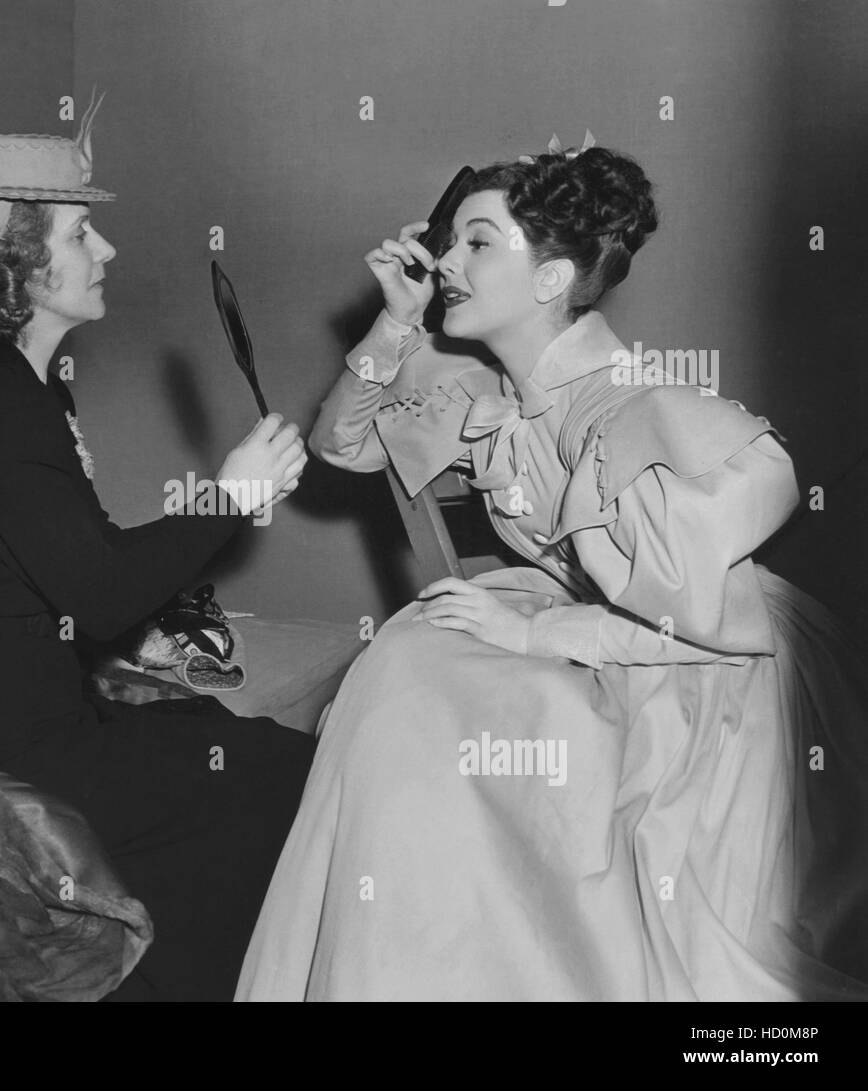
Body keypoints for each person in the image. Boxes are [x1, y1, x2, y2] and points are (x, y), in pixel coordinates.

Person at [237, 140, 868, 1000]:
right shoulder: (485, 387)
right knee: (405, 678)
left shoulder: (641, 407)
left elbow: (701, 619)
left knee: (443, 703)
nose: (445, 262)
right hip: (595, 623)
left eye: (477, 243)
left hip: (710, 669)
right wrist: (395, 320)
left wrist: (533, 630)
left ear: (549, 278)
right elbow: (338, 443)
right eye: (449, 241)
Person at [0, 100, 316, 1002]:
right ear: (18, 259)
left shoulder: (18, 386)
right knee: (285, 777)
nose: (105, 250)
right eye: (82, 232)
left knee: (233, 743)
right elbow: (99, 592)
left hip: (29, 715)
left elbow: (66, 569)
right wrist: (231, 496)